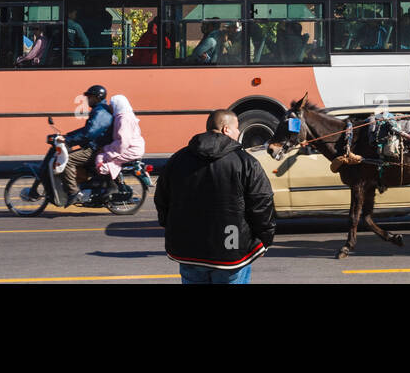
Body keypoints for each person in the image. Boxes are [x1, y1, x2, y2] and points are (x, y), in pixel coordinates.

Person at [154, 108, 276, 284]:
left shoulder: (177, 159)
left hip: (188, 250)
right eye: (236, 128)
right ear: (226, 129)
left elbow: (162, 200)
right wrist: (265, 240)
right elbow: (261, 204)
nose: (238, 133)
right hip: (231, 250)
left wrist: (172, 228)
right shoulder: (245, 162)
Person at [61, 84, 115, 202]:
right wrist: (68, 136)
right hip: (94, 146)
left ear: (97, 97)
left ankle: (74, 193)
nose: (87, 99)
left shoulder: (101, 112)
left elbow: (89, 133)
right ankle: (84, 186)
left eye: (89, 96)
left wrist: (69, 140)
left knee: (68, 160)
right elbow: (86, 131)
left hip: (95, 149)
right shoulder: (99, 110)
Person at [95, 94, 146, 179]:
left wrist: (106, 149)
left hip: (131, 149)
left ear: (117, 105)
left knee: (101, 157)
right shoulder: (127, 115)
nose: (110, 106)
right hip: (134, 147)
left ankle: (107, 184)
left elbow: (123, 142)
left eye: (112, 104)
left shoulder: (123, 119)